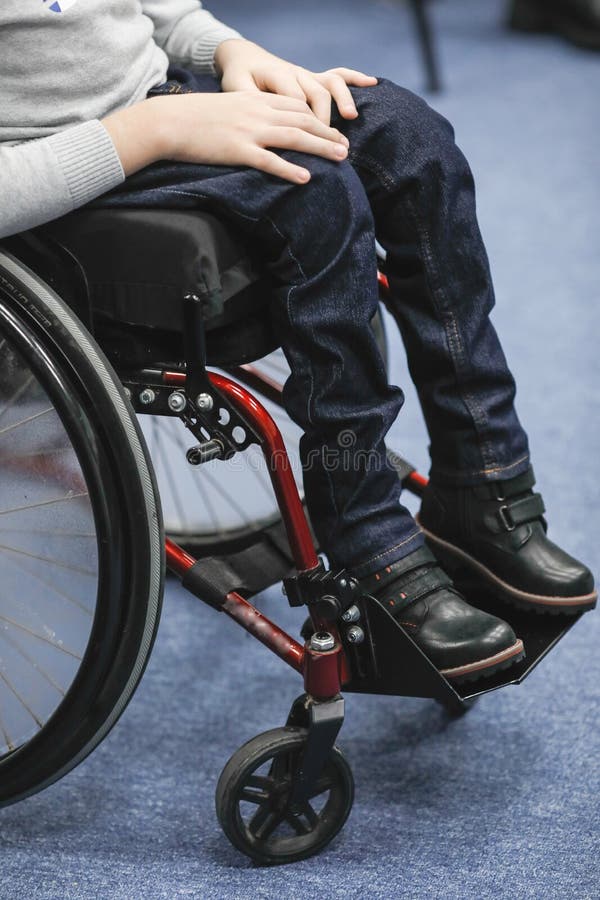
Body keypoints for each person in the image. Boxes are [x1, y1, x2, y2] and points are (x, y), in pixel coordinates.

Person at [1, 1, 595, 684]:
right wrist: (153, 129)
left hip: (159, 109)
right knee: (312, 191)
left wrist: (229, 53)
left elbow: (154, 9)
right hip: (65, 184)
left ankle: (483, 480)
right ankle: (367, 538)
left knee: (408, 136)